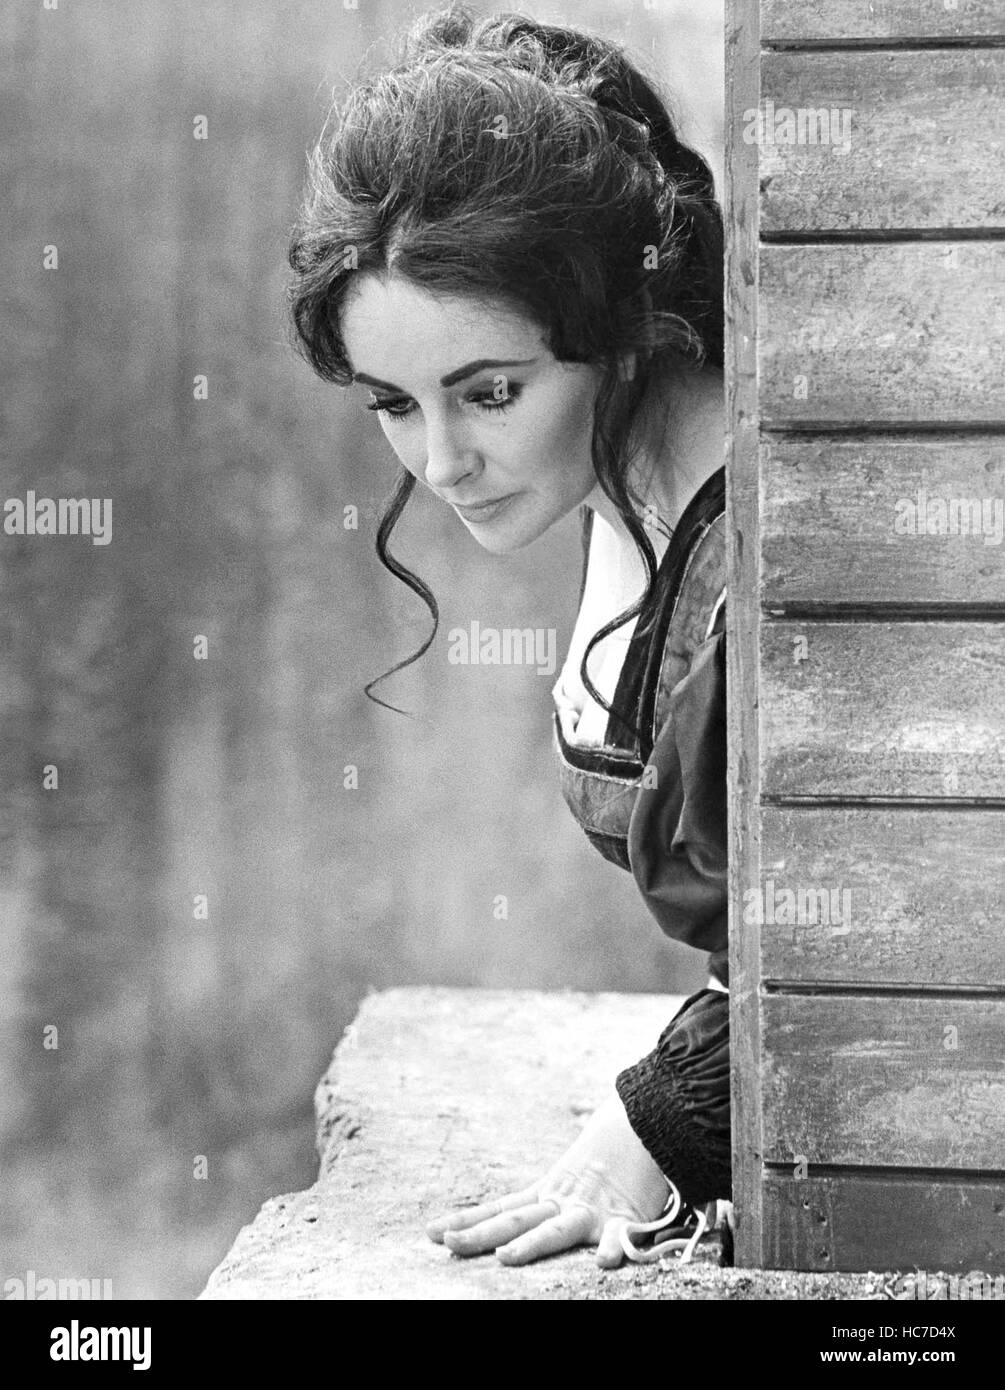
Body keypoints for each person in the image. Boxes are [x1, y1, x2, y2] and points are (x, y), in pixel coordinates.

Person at [287, 4, 732, 1269]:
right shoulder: (616, 472)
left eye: (489, 393)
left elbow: (910, 928)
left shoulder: (770, 566)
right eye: (393, 404)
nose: (442, 463)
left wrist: (658, 1121)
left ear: (623, 330)